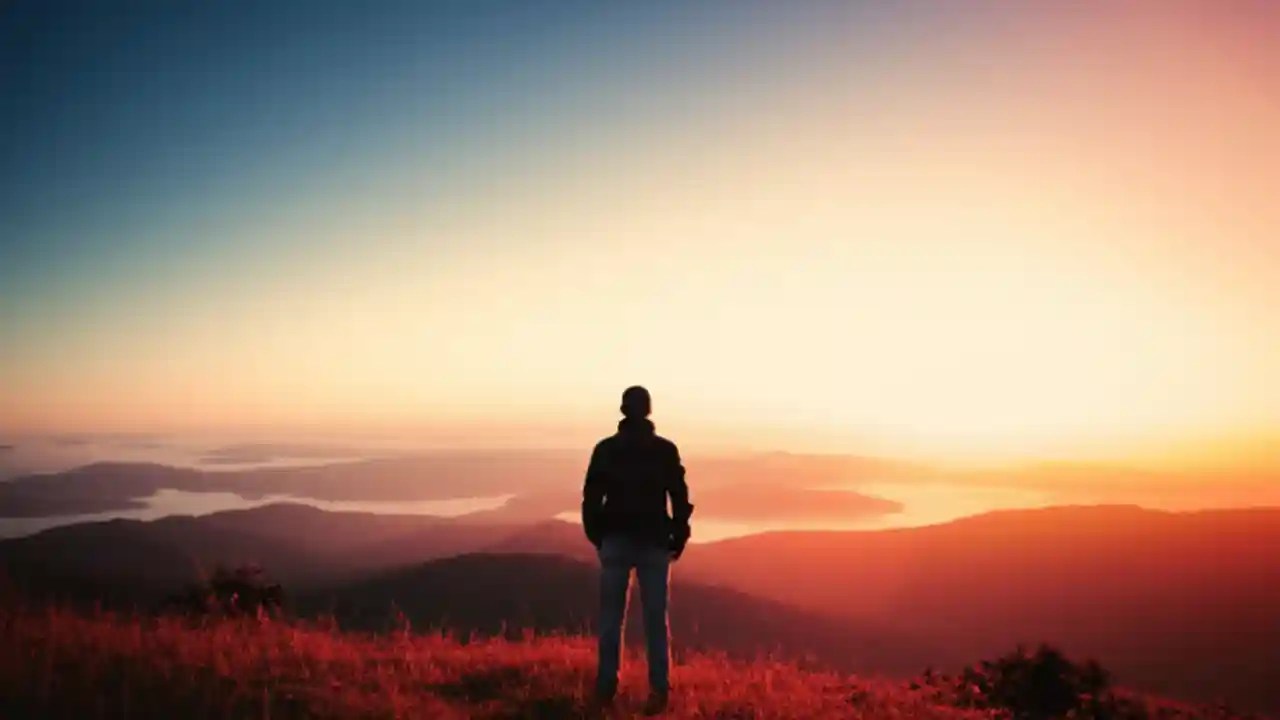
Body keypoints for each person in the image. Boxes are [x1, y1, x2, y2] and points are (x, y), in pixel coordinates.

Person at [582, 385, 693, 714]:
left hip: (615, 540)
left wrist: (599, 538)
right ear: (648, 410)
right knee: (656, 620)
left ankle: (606, 687)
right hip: (654, 541)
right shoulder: (664, 450)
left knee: (611, 619)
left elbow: (591, 499)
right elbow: (679, 496)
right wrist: (678, 534)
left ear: (623, 410)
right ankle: (659, 691)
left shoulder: (606, 449)